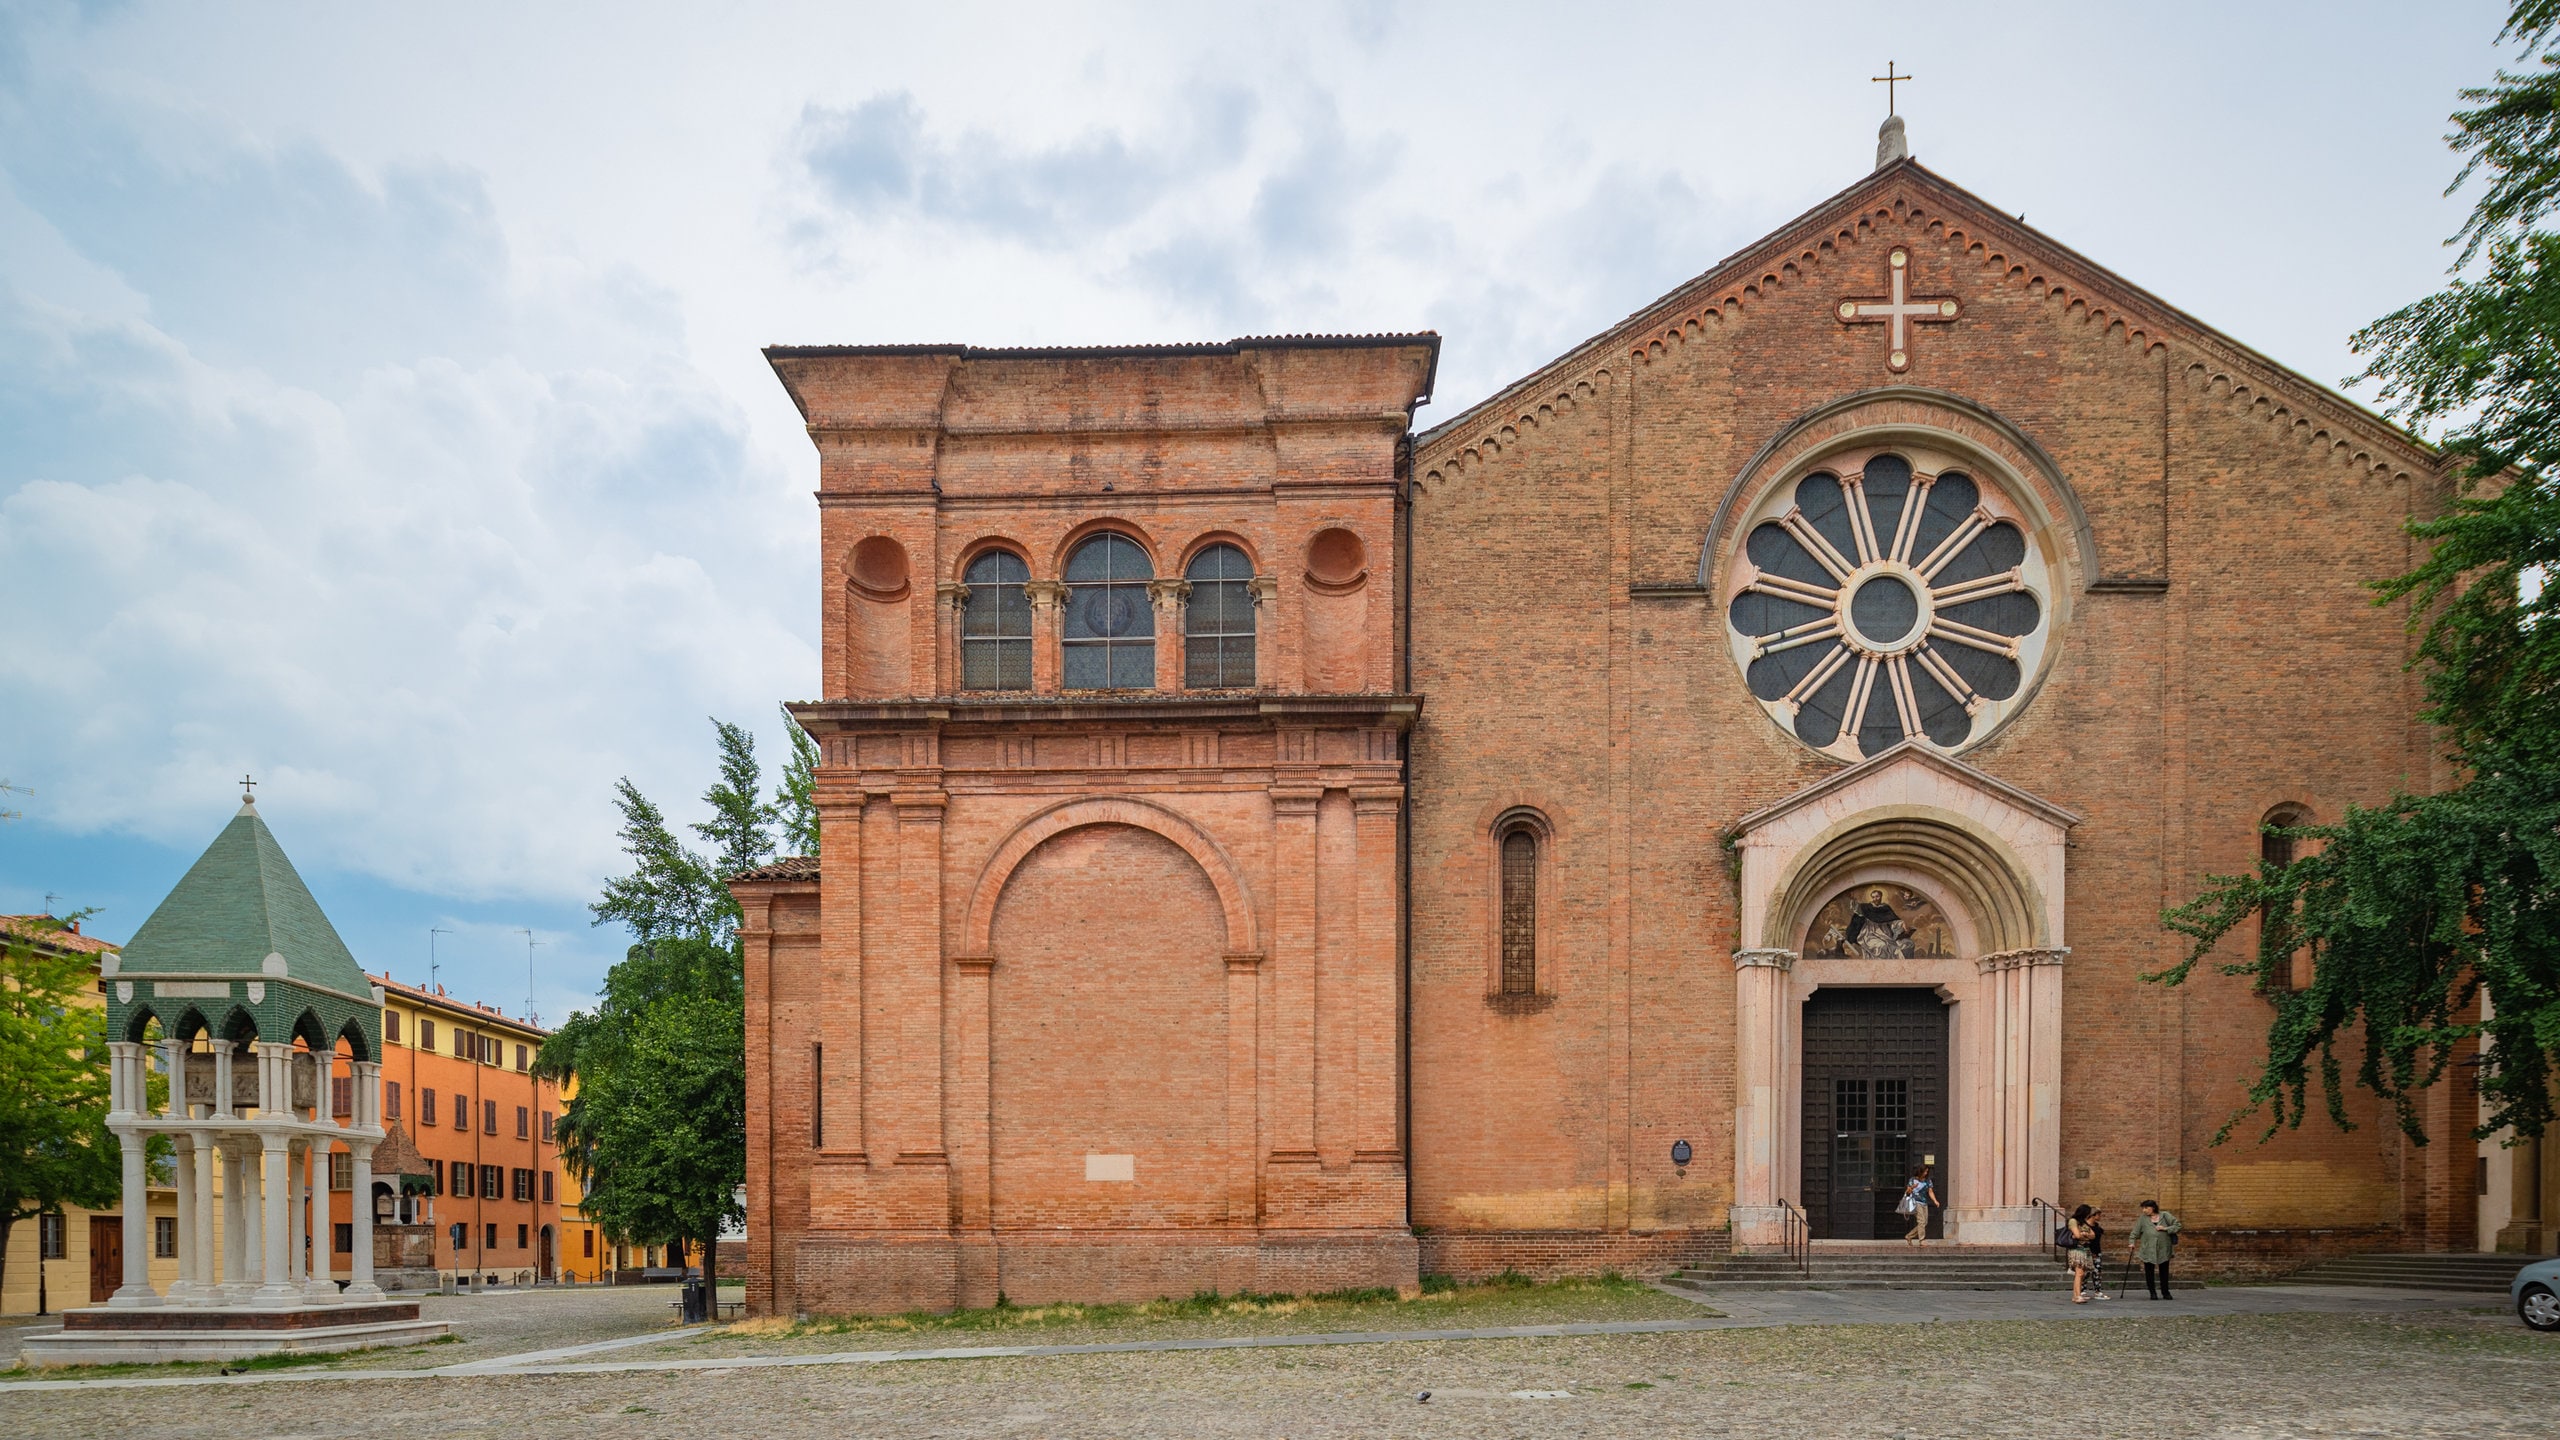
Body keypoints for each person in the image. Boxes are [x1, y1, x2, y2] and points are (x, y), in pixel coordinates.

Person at [2132, 1199, 2182, 1300]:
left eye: (2146, 1208)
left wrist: (2165, 1228)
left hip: (2163, 1248)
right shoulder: (2142, 1219)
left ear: (2153, 1208)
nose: (2144, 1210)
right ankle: (2152, 1292)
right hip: (2148, 1249)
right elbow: (2135, 1232)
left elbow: (2178, 1226)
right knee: (2149, 1272)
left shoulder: (2165, 1215)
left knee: (2164, 1271)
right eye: (2143, 1208)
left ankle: (2165, 1292)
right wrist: (2131, 1242)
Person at [2066, 1204, 2109, 1303]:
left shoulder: (2083, 1223)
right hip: (2077, 1250)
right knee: (2079, 1273)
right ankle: (2077, 1295)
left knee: (2081, 1273)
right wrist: (2084, 1235)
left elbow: (2093, 1235)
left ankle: (2076, 1295)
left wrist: (2084, 1235)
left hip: (2085, 1250)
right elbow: (2077, 1235)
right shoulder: (2073, 1221)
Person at [1897, 1164, 1939, 1246]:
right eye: (1925, 1171)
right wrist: (1912, 1187)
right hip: (1915, 1202)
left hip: (1924, 1203)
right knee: (1921, 1221)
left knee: (1924, 1223)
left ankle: (1909, 1236)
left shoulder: (1928, 1180)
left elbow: (1930, 1191)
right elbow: (1908, 1192)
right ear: (1920, 1171)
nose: (1926, 1173)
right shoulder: (1912, 1180)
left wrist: (1935, 1200)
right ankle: (1922, 1240)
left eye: (1927, 1172)